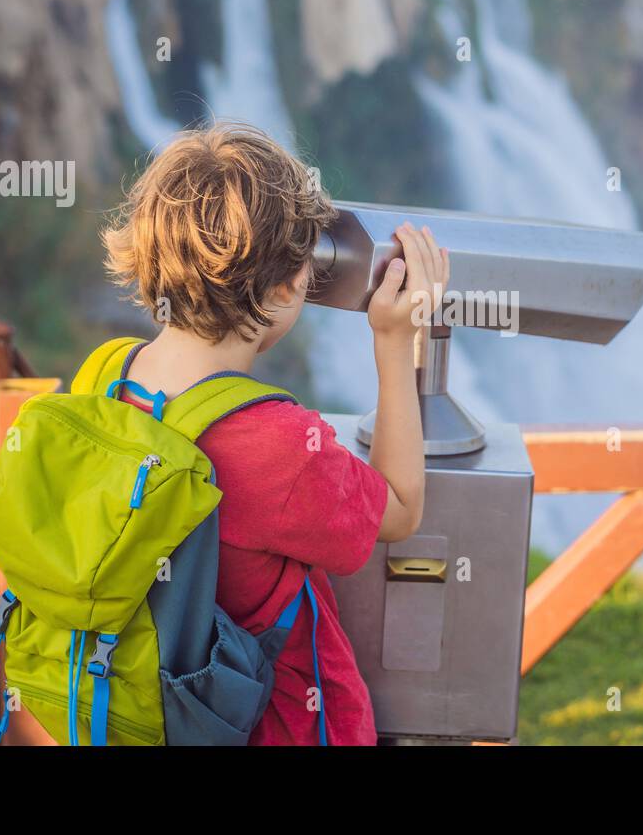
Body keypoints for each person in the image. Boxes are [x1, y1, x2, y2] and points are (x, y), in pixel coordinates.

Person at [98, 121, 448, 745]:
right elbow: (399, 508)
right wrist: (396, 340)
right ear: (289, 287)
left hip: (132, 706)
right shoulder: (281, 446)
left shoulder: (104, 378)